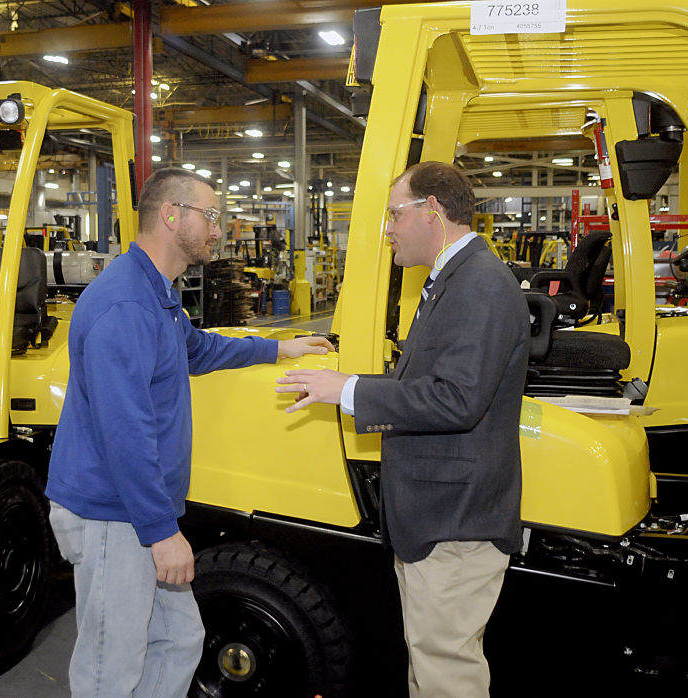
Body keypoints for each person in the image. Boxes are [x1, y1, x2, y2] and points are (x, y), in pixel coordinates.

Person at [46, 167, 334, 698]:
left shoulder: (158, 292)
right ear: (171, 215)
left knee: (180, 639)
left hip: (137, 512)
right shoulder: (126, 304)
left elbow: (196, 349)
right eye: (211, 216)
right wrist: (160, 531)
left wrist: (275, 348)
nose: (219, 230)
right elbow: (124, 433)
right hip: (115, 516)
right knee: (111, 667)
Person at [276, 161, 528, 697]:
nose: (388, 228)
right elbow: (433, 382)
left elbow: (456, 399)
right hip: (437, 519)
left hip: (456, 524)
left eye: (394, 215)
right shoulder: (451, 281)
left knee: (446, 675)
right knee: (431, 667)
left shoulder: (478, 285)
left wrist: (347, 390)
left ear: (431, 212)